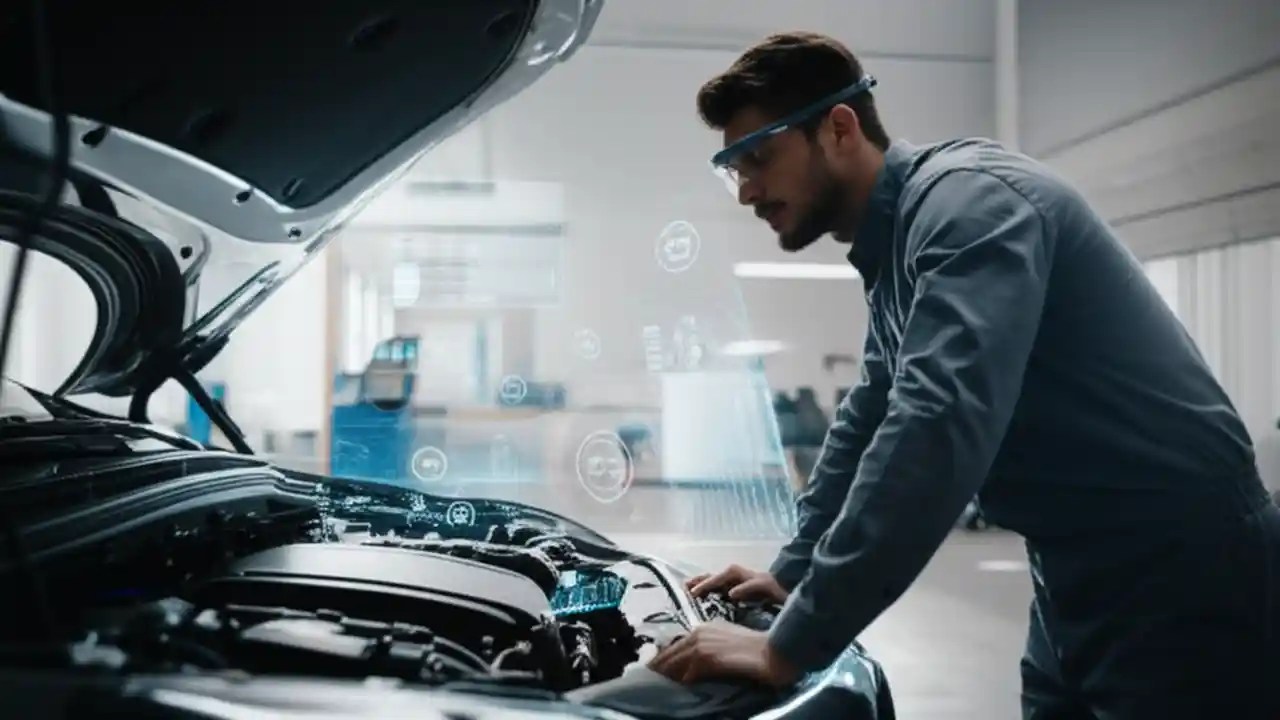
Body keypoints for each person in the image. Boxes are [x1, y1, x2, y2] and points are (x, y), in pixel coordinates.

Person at [647, 31, 1280, 719]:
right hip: (1072, 574)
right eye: (730, 167)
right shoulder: (895, 248)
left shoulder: (969, 209)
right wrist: (790, 572)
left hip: (1182, 570)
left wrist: (792, 644)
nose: (745, 192)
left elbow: (934, 428)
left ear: (838, 128)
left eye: (757, 157)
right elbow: (871, 414)